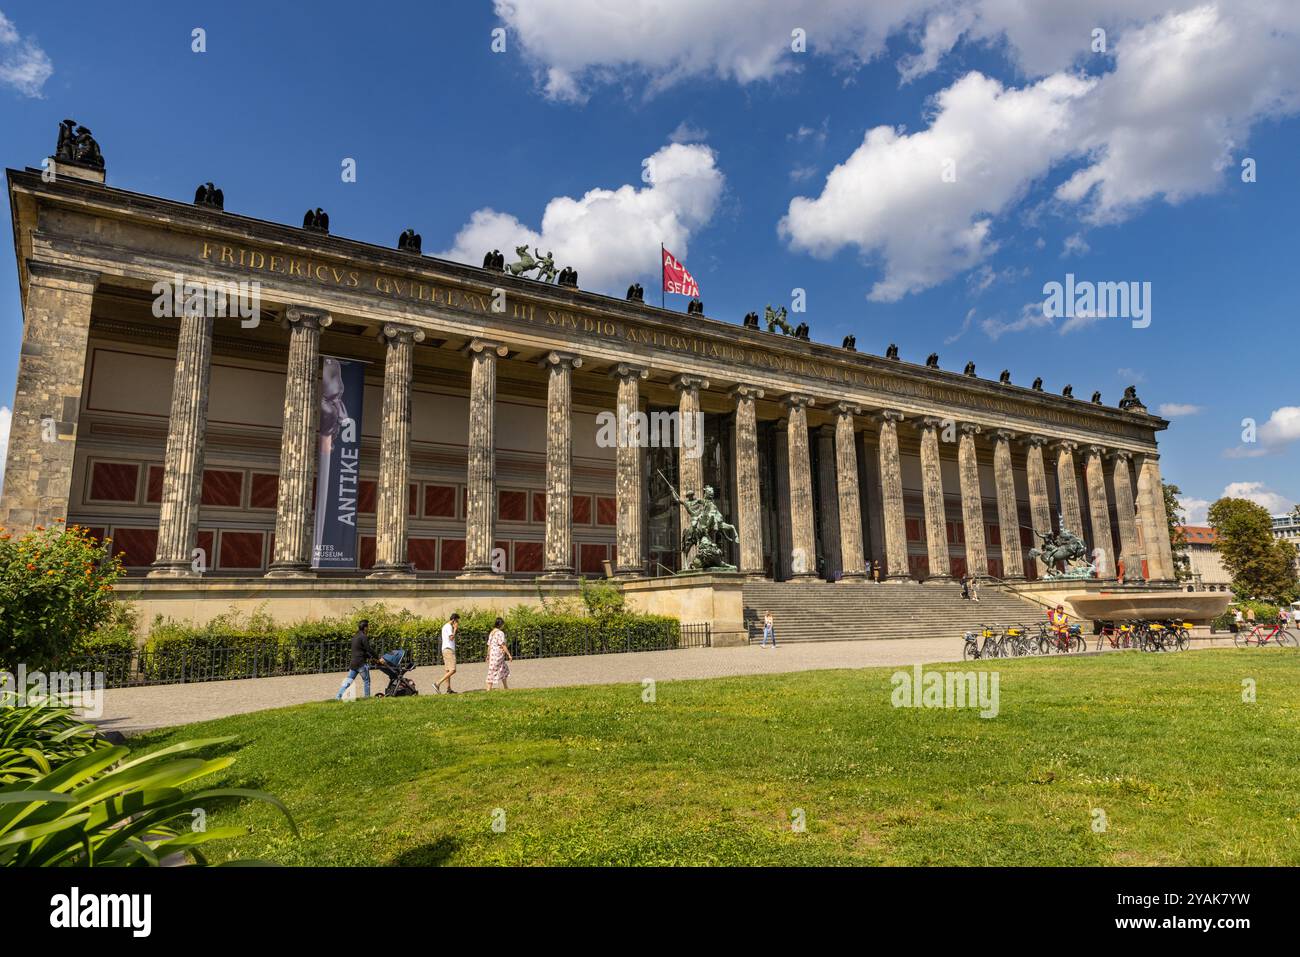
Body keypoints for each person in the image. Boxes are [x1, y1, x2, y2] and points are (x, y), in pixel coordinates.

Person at [335, 619, 376, 700]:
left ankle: (338, 696)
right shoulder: (363, 636)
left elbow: (360, 650)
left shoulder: (355, 636)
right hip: (361, 663)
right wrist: (378, 657)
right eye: (368, 626)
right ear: (365, 627)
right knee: (366, 681)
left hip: (353, 663)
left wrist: (370, 657)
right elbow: (368, 649)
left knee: (348, 681)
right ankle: (367, 698)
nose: (369, 628)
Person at [433, 613, 459, 694]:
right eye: (457, 621)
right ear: (454, 620)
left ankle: (448, 689)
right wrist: (455, 629)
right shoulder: (448, 627)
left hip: (445, 649)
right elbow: (451, 638)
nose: (458, 622)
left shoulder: (445, 626)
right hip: (448, 650)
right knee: (453, 670)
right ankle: (437, 683)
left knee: (448, 671)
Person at [485, 617, 512, 690]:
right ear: (501, 624)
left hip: (492, 653)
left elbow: (489, 645)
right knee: (493, 670)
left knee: (503, 668)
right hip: (497, 654)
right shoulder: (500, 633)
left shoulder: (492, 632)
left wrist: (488, 655)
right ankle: (488, 689)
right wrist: (509, 654)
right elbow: (502, 645)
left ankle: (506, 687)